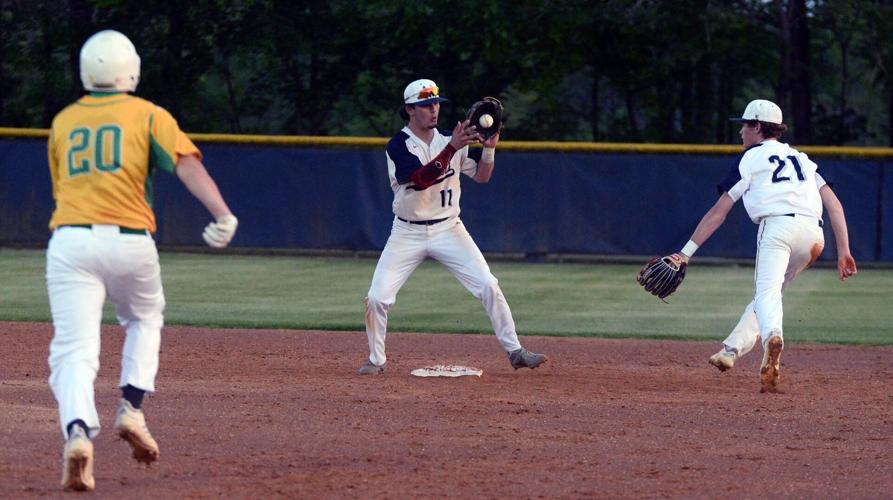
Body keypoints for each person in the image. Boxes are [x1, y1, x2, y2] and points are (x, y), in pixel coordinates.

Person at [46, 30, 238, 491]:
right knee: (144, 318)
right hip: (131, 240)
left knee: (73, 349)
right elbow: (188, 164)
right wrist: (223, 213)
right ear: (129, 69)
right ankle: (131, 406)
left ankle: (76, 432)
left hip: (70, 241)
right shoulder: (149, 114)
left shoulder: (63, 121)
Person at [359, 78, 546, 375]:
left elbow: (482, 177)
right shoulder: (398, 146)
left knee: (488, 284)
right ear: (409, 110)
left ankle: (515, 351)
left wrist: (488, 149)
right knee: (378, 298)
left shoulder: (449, 139)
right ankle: (376, 360)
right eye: (424, 105)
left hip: (449, 228)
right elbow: (420, 180)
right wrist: (453, 146)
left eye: (435, 104)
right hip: (407, 232)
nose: (433, 110)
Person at [671, 99, 857, 393]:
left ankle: (774, 337)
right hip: (813, 235)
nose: (741, 132)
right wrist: (844, 250)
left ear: (757, 126)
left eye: (744, 125)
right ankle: (730, 350)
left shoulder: (750, 158)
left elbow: (719, 211)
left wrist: (685, 252)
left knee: (767, 294)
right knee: (770, 295)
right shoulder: (803, 159)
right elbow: (834, 205)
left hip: (778, 229)